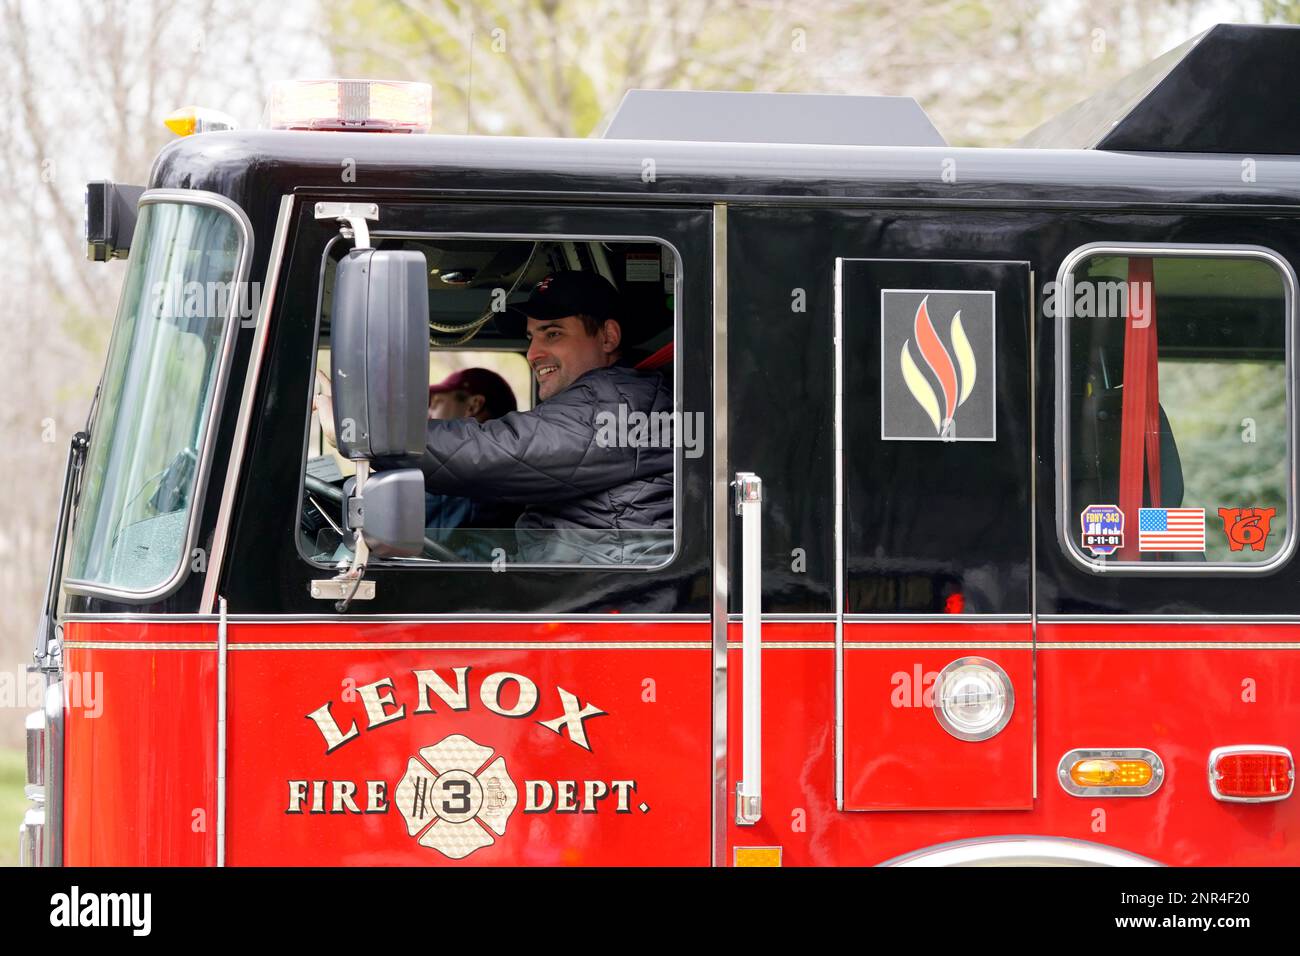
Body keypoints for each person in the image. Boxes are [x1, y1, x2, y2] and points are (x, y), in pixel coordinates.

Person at [417, 270, 673, 565]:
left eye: (553, 334)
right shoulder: (615, 396)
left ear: (608, 337)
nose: (533, 353)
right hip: (583, 592)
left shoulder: (617, 400)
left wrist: (384, 439)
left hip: (605, 602)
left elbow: (499, 452)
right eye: (531, 338)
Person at [314, 366, 522, 559]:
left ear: (473, 405)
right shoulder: (493, 472)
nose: (427, 413)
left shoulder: (466, 478)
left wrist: (352, 432)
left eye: (435, 402)